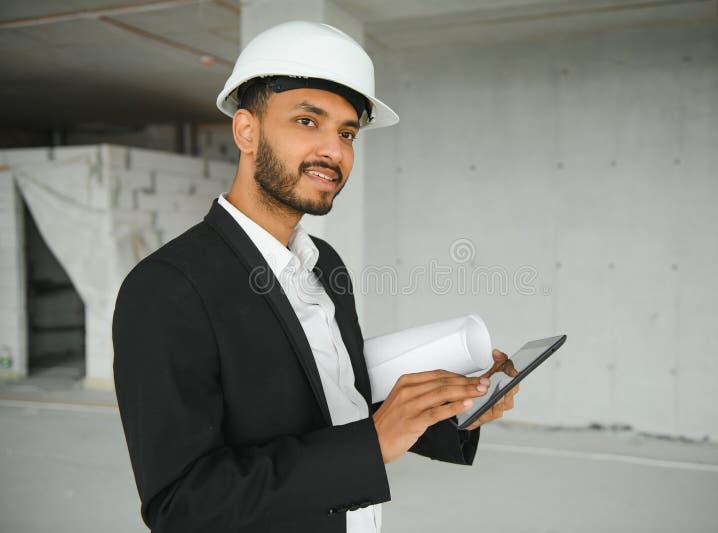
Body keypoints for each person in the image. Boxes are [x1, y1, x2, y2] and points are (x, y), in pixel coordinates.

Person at [112, 20, 518, 533]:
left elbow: (335, 400)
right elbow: (182, 504)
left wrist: (453, 408)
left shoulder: (324, 263)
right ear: (246, 130)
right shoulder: (166, 287)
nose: (335, 151)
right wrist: (371, 447)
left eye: (347, 132)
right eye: (308, 121)